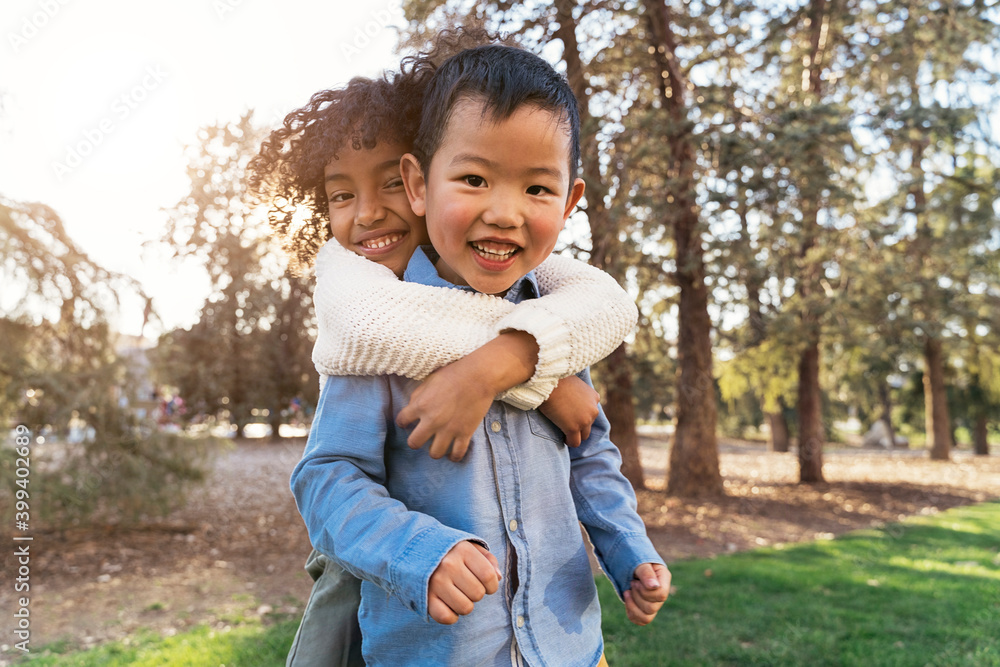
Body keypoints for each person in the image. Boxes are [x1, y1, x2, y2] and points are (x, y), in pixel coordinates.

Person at [249, 34, 644, 667]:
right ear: (422, 184)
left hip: (567, 647)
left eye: (536, 189)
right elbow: (327, 479)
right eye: (474, 178)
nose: (504, 212)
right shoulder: (372, 330)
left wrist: (628, 549)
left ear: (570, 202)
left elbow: (590, 450)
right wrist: (417, 552)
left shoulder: (557, 313)